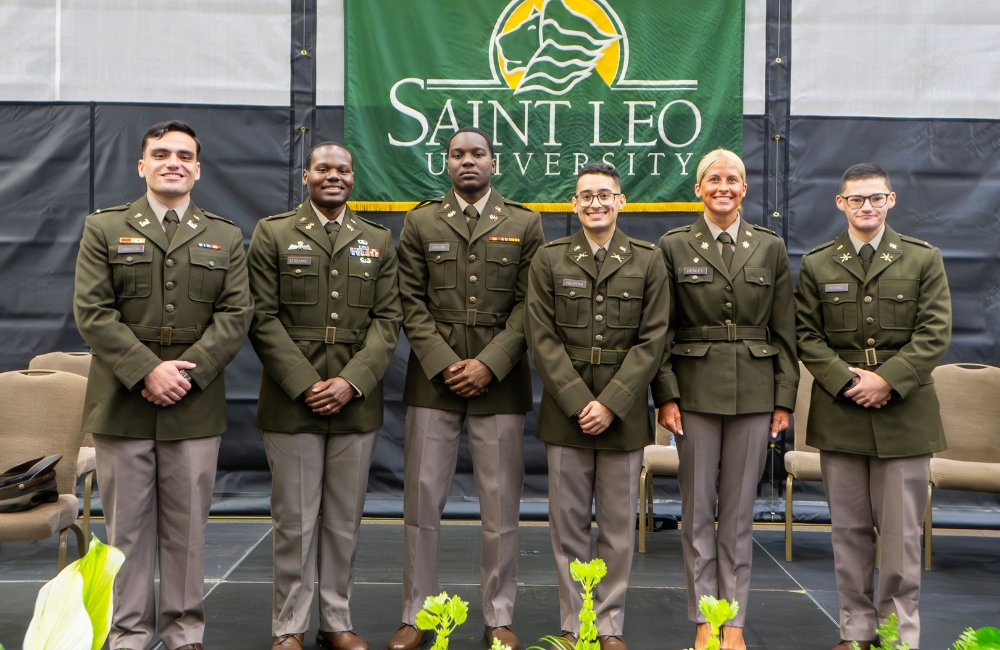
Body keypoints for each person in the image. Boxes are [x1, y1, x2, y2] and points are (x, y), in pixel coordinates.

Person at [73, 120, 253, 650]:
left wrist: (182, 372)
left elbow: (236, 313)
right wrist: (147, 369)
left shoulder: (225, 235)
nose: (172, 162)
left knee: (187, 530)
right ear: (141, 165)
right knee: (125, 530)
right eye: (161, 153)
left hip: (193, 404)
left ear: (198, 167)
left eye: (184, 155)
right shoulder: (104, 228)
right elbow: (92, 310)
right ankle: (129, 631)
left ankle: (182, 632)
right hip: (123, 401)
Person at [393, 126, 545, 650]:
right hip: (433, 383)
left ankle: (499, 615)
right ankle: (417, 614)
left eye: (477, 153)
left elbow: (533, 306)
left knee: (500, 508)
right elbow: (408, 302)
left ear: (493, 162)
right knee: (421, 503)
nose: (467, 162)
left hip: (498, 384)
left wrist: (489, 364)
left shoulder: (525, 223)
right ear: (447, 163)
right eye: (457, 154)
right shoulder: (420, 221)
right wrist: (444, 362)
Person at [247, 143, 402, 650]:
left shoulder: (377, 238)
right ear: (307, 175)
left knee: (343, 520)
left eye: (343, 170)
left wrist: (351, 380)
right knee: (293, 519)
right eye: (323, 169)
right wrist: (305, 381)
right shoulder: (273, 232)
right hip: (293, 402)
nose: (333, 176)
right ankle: (288, 626)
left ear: (353, 178)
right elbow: (260, 316)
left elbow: (388, 320)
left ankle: (337, 621)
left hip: (355, 402)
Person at [794, 163, 951, 650]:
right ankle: (855, 632)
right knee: (849, 536)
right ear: (840, 204)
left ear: (892, 200)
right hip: (842, 415)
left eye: (875, 198)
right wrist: (846, 382)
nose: (867, 206)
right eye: (856, 199)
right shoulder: (817, 263)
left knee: (902, 541)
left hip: (904, 415)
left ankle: (896, 636)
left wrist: (887, 380)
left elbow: (935, 332)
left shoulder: (923, 259)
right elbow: (805, 334)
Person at [652, 149, 798, 650]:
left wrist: (784, 399)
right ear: (698, 188)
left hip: (756, 392)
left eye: (732, 179)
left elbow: (785, 332)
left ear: (744, 188)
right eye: (713, 178)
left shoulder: (769, 247)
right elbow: (661, 331)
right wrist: (665, 395)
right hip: (692, 391)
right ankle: (702, 618)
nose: (723, 186)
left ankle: (731, 619)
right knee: (696, 511)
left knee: (738, 514)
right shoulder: (673, 246)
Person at [525, 162, 668, 650]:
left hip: (623, 416)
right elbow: (541, 337)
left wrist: (610, 404)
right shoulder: (549, 259)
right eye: (586, 196)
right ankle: (573, 624)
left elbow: (652, 341)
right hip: (566, 414)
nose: (595, 203)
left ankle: (607, 626)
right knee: (567, 529)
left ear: (621, 201)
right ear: (574, 204)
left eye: (605, 195)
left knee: (616, 530)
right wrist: (578, 400)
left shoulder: (649, 260)